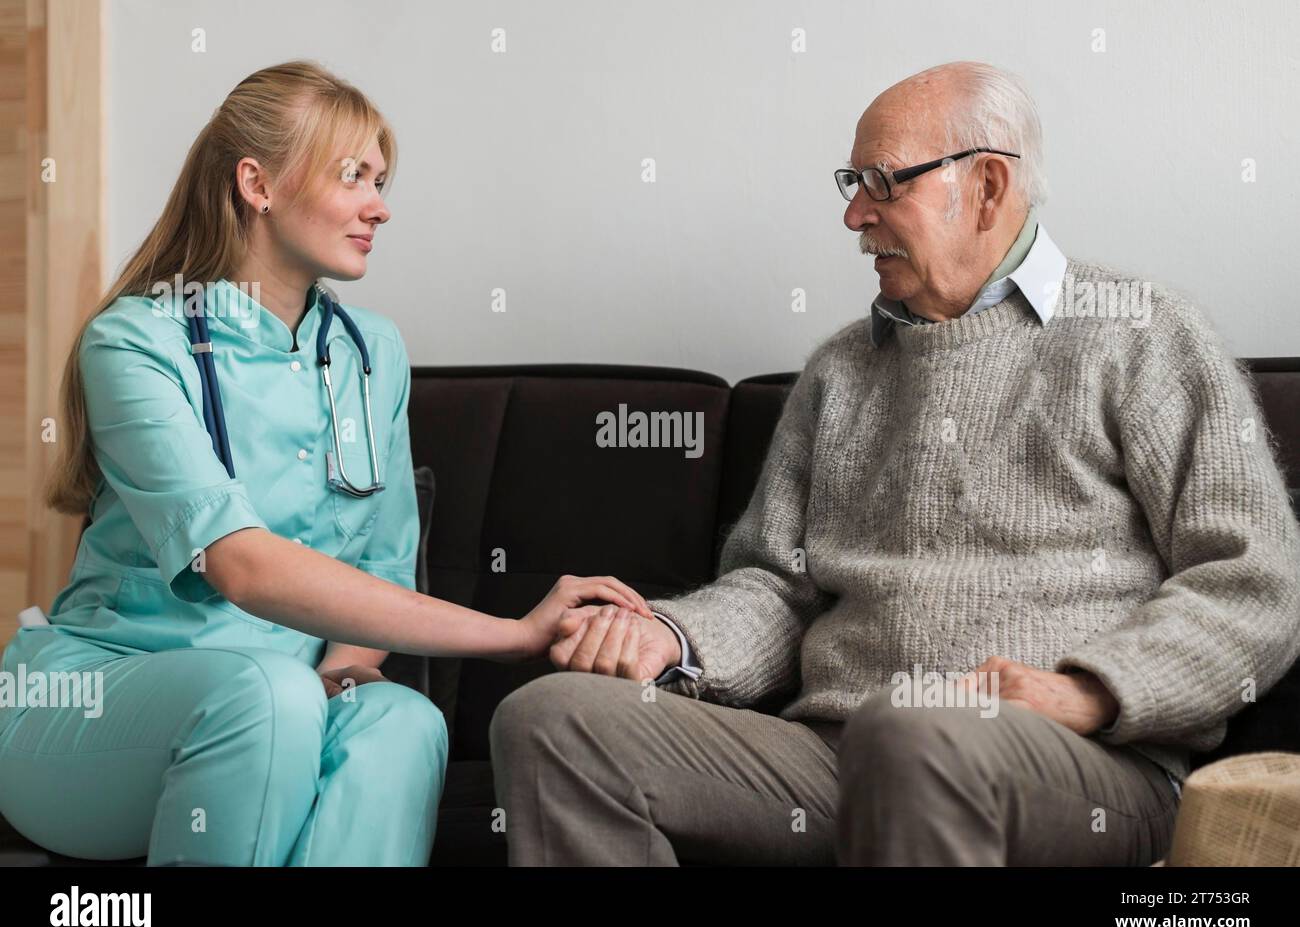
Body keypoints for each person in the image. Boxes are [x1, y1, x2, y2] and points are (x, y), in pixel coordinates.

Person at [489, 60, 1300, 866]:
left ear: (986, 186)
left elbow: (1256, 581)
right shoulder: (841, 371)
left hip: (1079, 770)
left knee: (909, 729)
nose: (853, 215)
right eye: (852, 181)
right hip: (834, 757)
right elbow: (779, 587)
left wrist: (1091, 690)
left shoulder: (1143, 334)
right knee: (552, 721)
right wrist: (672, 636)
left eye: (883, 181)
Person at [0, 60, 651, 866]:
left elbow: (380, 567)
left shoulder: (372, 354)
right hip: (94, 708)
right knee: (264, 697)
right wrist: (513, 634)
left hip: (284, 703)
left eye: (381, 180)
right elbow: (243, 567)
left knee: (401, 722)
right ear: (257, 183)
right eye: (355, 176)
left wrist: (339, 678)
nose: (379, 206)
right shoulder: (137, 342)